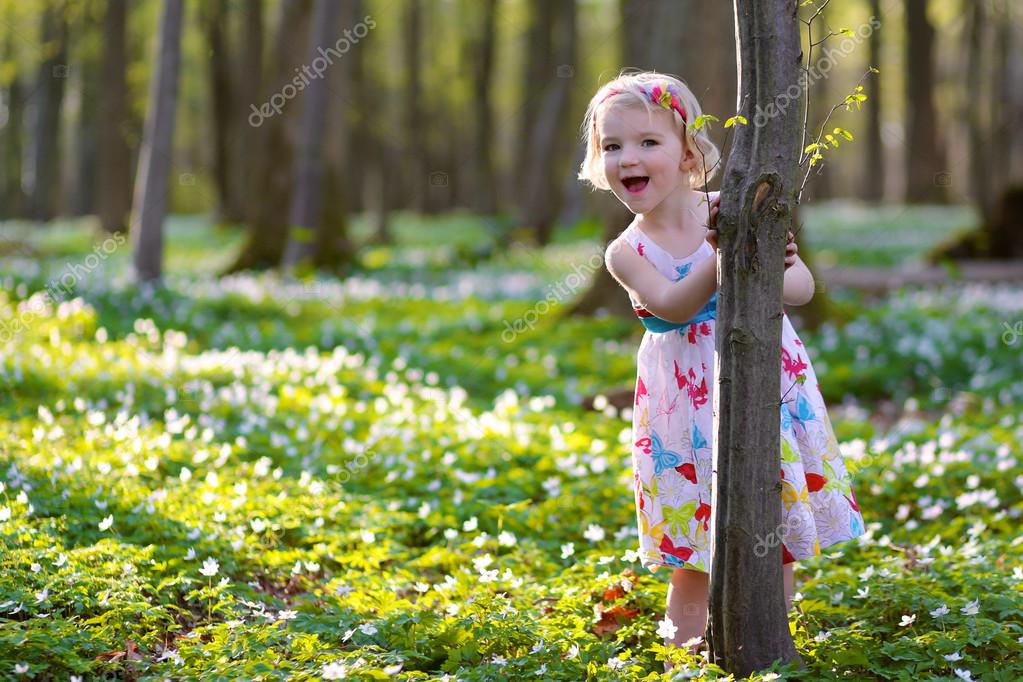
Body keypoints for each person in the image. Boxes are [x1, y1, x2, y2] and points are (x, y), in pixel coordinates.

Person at [577, 69, 866, 660]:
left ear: (688, 152)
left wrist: (777, 254)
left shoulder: (729, 208)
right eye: (612, 147)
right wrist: (723, 251)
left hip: (763, 387)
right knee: (692, 552)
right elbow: (675, 305)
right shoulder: (626, 251)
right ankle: (687, 658)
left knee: (772, 530)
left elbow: (803, 290)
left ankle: (766, 648)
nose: (627, 157)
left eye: (647, 142)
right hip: (684, 409)